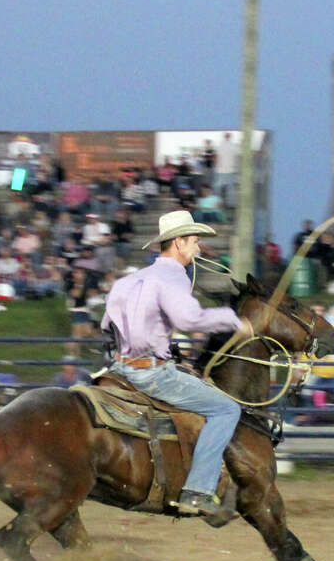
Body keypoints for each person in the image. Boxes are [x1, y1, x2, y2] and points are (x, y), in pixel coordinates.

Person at [101, 211, 249, 517]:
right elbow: (189, 319)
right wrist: (233, 320)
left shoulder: (129, 281)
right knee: (226, 409)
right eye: (194, 242)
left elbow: (107, 327)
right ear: (178, 243)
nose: (197, 249)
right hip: (151, 374)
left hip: (119, 368)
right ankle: (198, 491)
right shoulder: (172, 278)